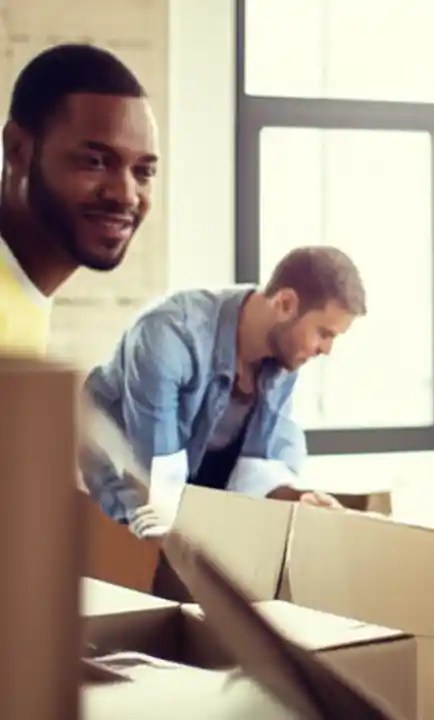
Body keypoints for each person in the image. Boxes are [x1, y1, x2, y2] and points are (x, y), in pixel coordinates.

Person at [81, 246, 368, 534]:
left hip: (190, 493)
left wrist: (298, 501)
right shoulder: (169, 336)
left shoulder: (284, 361)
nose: (327, 350)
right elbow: (157, 481)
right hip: (118, 483)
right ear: (285, 304)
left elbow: (257, 468)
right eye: (324, 333)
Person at [0, 43, 158, 356]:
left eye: (143, 171)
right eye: (95, 162)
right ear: (17, 150)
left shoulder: (19, 299)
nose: (125, 195)